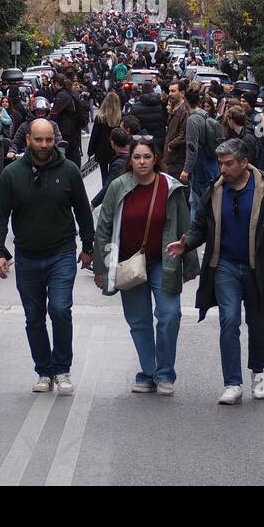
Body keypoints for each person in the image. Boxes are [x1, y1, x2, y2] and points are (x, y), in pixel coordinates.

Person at [167, 137, 264, 405]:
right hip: (224, 266)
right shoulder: (215, 191)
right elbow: (200, 224)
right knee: (229, 320)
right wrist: (186, 242)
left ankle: (258, 373)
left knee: (258, 324)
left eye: (228, 163)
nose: (223, 169)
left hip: (259, 269)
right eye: (220, 163)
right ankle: (232, 383)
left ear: (244, 163)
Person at [0, 119, 94, 396]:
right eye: (39, 140)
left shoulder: (69, 171)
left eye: (49, 140)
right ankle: (43, 370)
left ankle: (62, 368)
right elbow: (0, 216)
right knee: (34, 316)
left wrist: (88, 246)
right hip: (27, 256)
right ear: (28, 141)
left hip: (61, 252)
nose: (45, 145)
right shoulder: (12, 174)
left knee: (60, 309)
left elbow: (83, 211)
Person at [93, 140, 198, 394]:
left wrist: (189, 266)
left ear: (155, 159)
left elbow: (186, 228)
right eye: (137, 157)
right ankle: (148, 372)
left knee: (169, 314)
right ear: (131, 160)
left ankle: (165, 374)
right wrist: (101, 267)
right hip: (130, 263)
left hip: (164, 262)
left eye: (147, 157)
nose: (141, 161)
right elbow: (104, 227)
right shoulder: (119, 186)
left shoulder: (170, 187)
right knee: (139, 321)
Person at [180, 84, 221, 215]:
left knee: (196, 203)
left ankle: (196, 232)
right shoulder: (205, 114)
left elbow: (192, 148)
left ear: (186, 101)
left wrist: (186, 170)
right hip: (211, 162)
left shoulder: (192, 120)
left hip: (201, 166)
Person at [91, 127, 133, 208]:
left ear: (113, 143)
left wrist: (93, 204)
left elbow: (109, 187)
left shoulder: (119, 164)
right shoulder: (130, 153)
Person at [89, 91, 122, 183]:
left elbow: (94, 135)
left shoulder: (100, 118)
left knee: (104, 175)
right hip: (115, 150)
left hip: (101, 150)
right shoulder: (120, 118)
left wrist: (90, 151)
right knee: (113, 174)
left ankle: (105, 192)